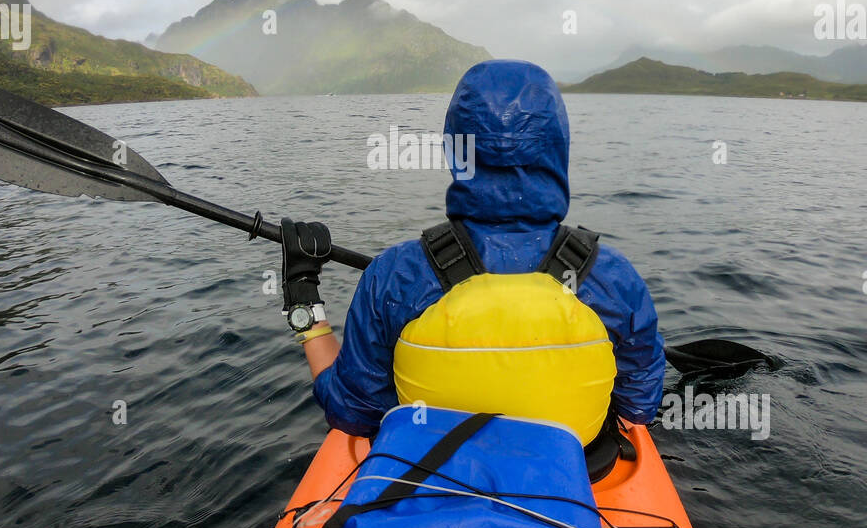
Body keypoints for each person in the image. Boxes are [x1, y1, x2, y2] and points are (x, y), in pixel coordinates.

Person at [278, 59, 665, 454]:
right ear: (557, 147)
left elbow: (351, 412)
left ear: (454, 149)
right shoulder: (614, 279)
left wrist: (303, 293)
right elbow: (639, 407)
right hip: (574, 488)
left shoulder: (392, 277)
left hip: (430, 483)